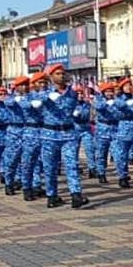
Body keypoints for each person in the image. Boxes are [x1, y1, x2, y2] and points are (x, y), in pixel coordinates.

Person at [34, 64, 87, 209]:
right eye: (57, 74)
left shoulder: (72, 93)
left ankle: (76, 194)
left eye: (63, 73)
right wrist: (46, 97)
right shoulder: (44, 93)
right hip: (50, 135)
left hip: (68, 134)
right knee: (50, 167)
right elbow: (36, 105)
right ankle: (52, 196)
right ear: (51, 77)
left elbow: (75, 107)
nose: (61, 76)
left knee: (71, 164)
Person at [111, 78, 133, 188]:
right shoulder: (118, 99)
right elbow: (117, 113)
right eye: (126, 85)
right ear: (122, 88)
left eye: (130, 85)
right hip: (124, 128)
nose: (128, 87)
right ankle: (122, 176)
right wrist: (128, 108)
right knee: (122, 154)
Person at [93, 82, 119, 183]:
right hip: (102, 130)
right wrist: (107, 102)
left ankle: (121, 175)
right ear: (103, 92)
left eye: (111, 91)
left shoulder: (116, 101)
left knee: (117, 153)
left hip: (115, 129)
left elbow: (121, 113)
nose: (110, 93)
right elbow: (98, 107)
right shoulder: (99, 100)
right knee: (101, 153)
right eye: (107, 92)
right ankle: (101, 173)